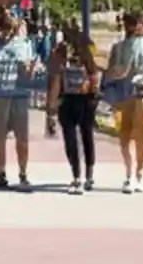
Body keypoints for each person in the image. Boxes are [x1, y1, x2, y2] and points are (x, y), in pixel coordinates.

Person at [102, 12, 143, 194]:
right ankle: (129, 174)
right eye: (129, 24)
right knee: (124, 137)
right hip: (122, 95)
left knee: (141, 137)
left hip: (142, 94)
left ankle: (140, 174)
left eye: (136, 24)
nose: (132, 27)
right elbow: (110, 71)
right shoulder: (118, 47)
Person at [0, 9, 36, 191]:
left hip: (18, 95)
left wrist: (30, 67)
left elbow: (28, 73)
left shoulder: (23, 45)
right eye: (2, 28)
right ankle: (1, 172)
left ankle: (23, 172)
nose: (5, 33)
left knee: (22, 138)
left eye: (9, 29)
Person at [47, 35, 99, 194]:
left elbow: (95, 80)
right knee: (77, 139)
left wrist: (51, 109)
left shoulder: (85, 57)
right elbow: (55, 82)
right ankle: (81, 176)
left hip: (79, 101)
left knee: (82, 138)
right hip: (73, 102)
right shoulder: (62, 57)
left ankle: (84, 176)